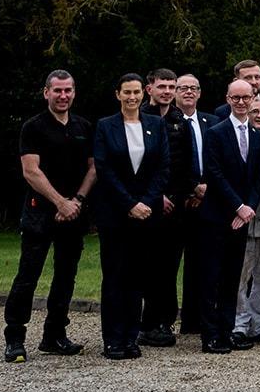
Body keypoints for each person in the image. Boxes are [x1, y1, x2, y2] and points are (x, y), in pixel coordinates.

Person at [5, 71, 96, 363]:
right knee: (28, 276)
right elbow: (31, 170)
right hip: (40, 212)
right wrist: (59, 202)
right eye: (57, 90)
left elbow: (93, 168)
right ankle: (15, 338)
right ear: (46, 93)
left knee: (66, 276)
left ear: (74, 92)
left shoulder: (83, 126)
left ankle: (54, 335)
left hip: (74, 212)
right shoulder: (34, 127)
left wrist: (77, 201)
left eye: (68, 90)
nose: (63, 96)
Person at [90, 74, 167, 360]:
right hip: (115, 213)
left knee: (137, 277)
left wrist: (146, 202)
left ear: (142, 94)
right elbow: (104, 168)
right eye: (127, 92)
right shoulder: (105, 126)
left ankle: (131, 337)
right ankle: (113, 338)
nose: (132, 97)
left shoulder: (156, 125)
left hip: (146, 214)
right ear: (118, 94)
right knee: (114, 276)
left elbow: (163, 167)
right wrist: (129, 204)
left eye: (136, 92)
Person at [197, 78, 260, 354]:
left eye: (245, 98)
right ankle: (209, 335)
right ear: (227, 99)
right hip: (216, 216)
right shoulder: (215, 133)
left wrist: (248, 207)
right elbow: (214, 173)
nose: (240, 102)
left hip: (242, 218)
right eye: (235, 98)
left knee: (232, 278)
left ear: (252, 99)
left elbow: (259, 177)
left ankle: (226, 331)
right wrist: (237, 206)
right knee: (211, 278)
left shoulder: (258, 137)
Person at [138, 67, 188, 347]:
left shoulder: (180, 120)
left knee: (169, 266)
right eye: (162, 86)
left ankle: (164, 321)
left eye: (172, 86)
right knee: (147, 266)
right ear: (150, 89)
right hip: (148, 203)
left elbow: (185, 162)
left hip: (176, 205)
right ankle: (144, 322)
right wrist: (157, 196)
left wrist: (182, 192)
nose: (167, 91)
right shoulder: (139, 118)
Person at [169, 73, 213, 334]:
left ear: (199, 93)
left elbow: (218, 159)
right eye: (182, 88)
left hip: (206, 202)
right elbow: (169, 163)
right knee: (169, 264)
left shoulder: (211, 122)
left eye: (192, 88)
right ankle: (162, 319)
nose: (187, 92)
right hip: (175, 203)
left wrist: (204, 190)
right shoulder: (165, 122)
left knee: (200, 264)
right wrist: (188, 190)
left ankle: (193, 320)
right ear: (175, 92)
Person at [231, 97, 260, 345]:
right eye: (254, 110)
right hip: (243, 215)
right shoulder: (240, 138)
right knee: (240, 274)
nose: (259, 115)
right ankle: (239, 321)